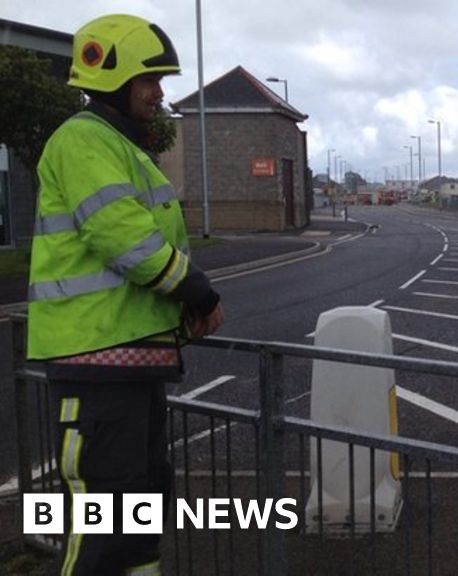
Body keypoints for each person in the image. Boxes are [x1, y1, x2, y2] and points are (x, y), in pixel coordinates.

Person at [27, 14, 224, 575]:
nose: (159, 93)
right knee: (104, 532)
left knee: (138, 529)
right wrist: (199, 294)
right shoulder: (83, 140)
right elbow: (126, 239)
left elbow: (148, 246)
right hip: (94, 363)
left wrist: (185, 311)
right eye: (149, 80)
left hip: (130, 362)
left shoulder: (121, 146)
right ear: (112, 81)